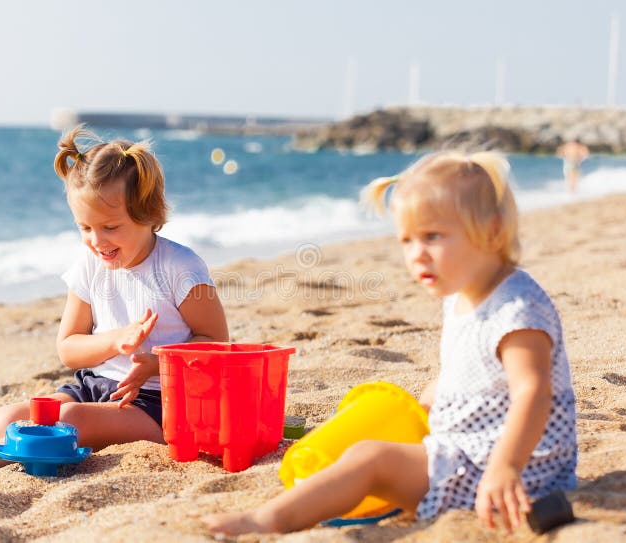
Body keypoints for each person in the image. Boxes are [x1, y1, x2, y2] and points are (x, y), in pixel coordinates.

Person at [203, 151, 577, 535]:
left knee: (372, 459)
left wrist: (505, 468)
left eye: (433, 236)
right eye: (407, 240)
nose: (417, 254)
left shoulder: (516, 309)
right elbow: (462, 373)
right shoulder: (464, 293)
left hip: (514, 470)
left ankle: (268, 520)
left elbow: (533, 391)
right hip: (476, 446)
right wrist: (425, 410)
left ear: (492, 231)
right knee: (373, 429)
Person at [0, 126, 229, 486]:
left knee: (71, 420)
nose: (97, 241)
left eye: (110, 226)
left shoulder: (180, 268)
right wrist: (114, 342)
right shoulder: (89, 266)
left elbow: (219, 347)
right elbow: (69, 348)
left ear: (148, 212)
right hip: (93, 387)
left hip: (161, 405)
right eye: (85, 228)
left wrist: (157, 365)